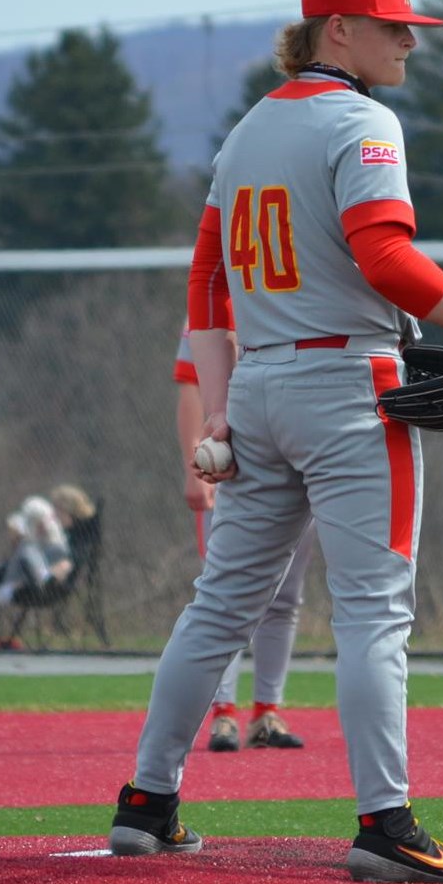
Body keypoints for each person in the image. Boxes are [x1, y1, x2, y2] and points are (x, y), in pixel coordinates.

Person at [109, 0, 443, 884]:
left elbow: (205, 284)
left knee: (218, 606)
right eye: (392, 25)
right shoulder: (363, 121)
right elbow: (382, 253)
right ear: (338, 30)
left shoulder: (246, 130)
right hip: (346, 381)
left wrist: (217, 406)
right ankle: (386, 823)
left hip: (257, 387)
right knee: (374, 613)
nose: (409, 39)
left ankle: (147, 802)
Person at [176, 322, 311, 752]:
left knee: (286, 594)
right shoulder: (218, 298)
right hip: (231, 467)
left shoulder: (298, 292)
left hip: (294, 461)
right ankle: (222, 713)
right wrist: (192, 470)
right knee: (225, 593)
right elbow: (190, 385)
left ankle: (267, 710)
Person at [0, 493, 74, 612]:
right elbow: (18, 531)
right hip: (31, 567)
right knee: (25, 551)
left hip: (50, 559)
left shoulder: (54, 532)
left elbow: (57, 550)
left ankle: (7, 585)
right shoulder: (29, 527)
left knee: (26, 550)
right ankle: (8, 582)